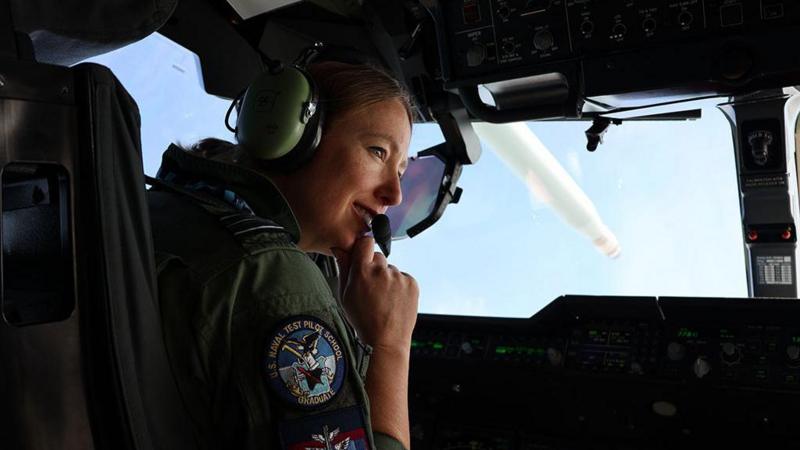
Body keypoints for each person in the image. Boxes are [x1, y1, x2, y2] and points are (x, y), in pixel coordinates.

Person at [147, 61, 419, 450]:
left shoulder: (157, 207)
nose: (394, 195)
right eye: (378, 151)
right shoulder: (270, 278)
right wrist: (391, 346)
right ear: (296, 137)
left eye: (402, 172)